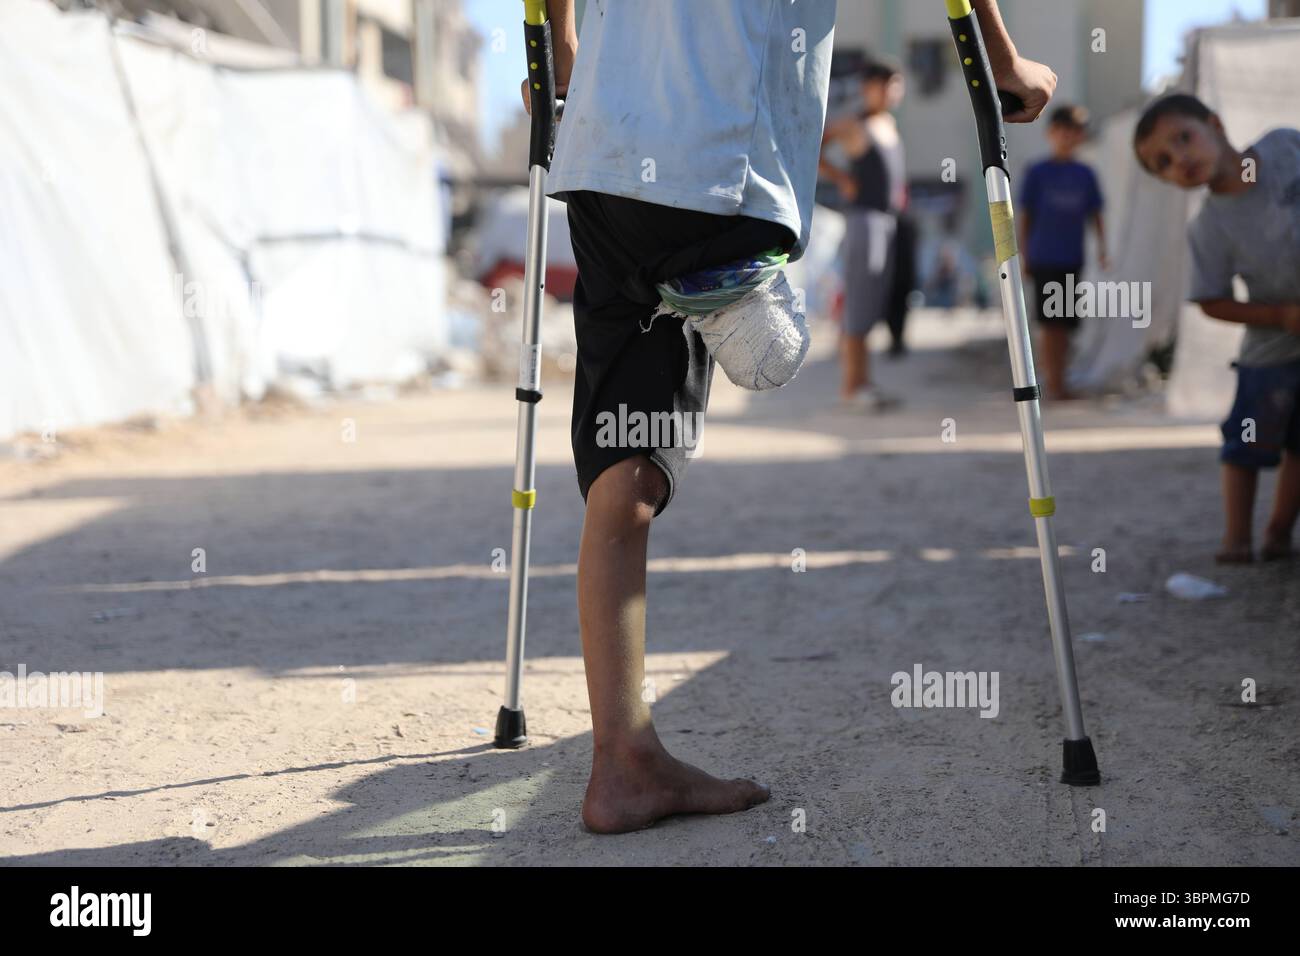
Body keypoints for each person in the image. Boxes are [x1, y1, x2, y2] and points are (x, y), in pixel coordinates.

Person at [524, 0, 1057, 834]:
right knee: (766, 352)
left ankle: (622, 759)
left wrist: (560, 58)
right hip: (716, 161)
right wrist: (1002, 53)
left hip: (605, 155)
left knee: (631, 447)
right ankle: (729, 292)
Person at [1133, 93, 1300, 564]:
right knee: (1248, 442)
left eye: (1183, 138)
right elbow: (1210, 300)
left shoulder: (1285, 148)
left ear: (1216, 125)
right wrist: (1282, 317)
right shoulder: (1209, 228)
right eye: (1162, 162)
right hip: (1271, 350)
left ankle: (1278, 532)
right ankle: (1236, 538)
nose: (1179, 159)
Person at [819, 58, 908, 408]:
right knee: (857, 304)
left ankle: (864, 383)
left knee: (872, 302)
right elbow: (814, 148)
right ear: (867, 88)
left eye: (896, 84)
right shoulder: (856, 125)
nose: (891, 92)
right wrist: (842, 179)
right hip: (864, 220)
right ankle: (851, 387)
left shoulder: (889, 124)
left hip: (887, 221)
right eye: (884, 84)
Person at [1017, 104, 1107, 401]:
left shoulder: (1086, 174)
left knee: (1067, 324)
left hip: (1072, 258)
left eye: (1074, 132)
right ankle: (1053, 383)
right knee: (1049, 324)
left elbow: (1096, 215)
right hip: (1044, 257)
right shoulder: (1037, 172)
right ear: (1050, 134)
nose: (1067, 138)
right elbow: (1025, 217)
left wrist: (1103, 251)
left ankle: (1061, 380)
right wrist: (1023, 255)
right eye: (1062, 131)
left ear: (1080, 136)